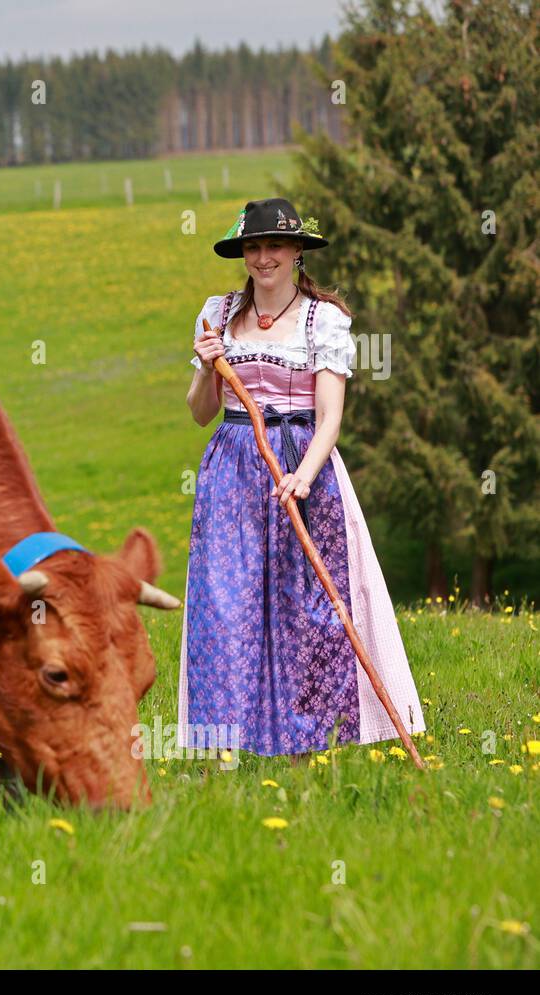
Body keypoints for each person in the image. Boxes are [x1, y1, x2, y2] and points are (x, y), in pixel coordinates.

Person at [178, 197, 424, 759]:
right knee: (226, 606)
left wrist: (304, 477)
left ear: (296, 253)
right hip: (233, 471)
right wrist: (205, 365)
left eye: (275, 246)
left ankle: (309, 743)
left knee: (306, 608)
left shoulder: (325, 320)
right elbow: (199, 412)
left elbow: (330, 417)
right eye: (253, 247)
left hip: (302, 464)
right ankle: (225, 746)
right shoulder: (217, 315)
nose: (263, 257)